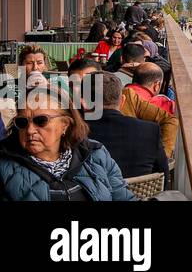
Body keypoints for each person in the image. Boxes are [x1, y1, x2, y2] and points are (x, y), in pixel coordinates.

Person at [0, 84, 136, 201]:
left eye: (41, 121)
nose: (29, 130)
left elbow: (123, 197)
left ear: (65, 124)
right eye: (22, 122)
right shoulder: (4, 165)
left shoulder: (95, 153)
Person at [68, 59, 177, 159]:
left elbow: (169, 120)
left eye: (90, 81)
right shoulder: (67, 115)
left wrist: (162, 155)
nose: (82, 88)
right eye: (75, 84)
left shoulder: (128, 96)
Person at [82, 73, 168, 180]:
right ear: (122, 101)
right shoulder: (150, 131)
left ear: (84, 104)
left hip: (89, 195)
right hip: (139, 195)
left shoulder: (74, 132)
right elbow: (163, 176)